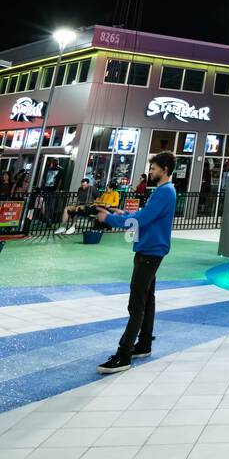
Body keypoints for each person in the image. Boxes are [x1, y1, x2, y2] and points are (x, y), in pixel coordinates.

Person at [95, 152, 177, 375]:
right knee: (147, 300)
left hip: (150, 252)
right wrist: (125, 213)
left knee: (137, 303)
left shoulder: (165, 192)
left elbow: (142, 220)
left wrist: (110, 219)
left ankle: (123, 354)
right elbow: (146, 215)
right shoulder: (163, 192)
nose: (150, 171)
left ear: (165, 169)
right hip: (150, 249)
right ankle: (143, 345)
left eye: (154, 168)